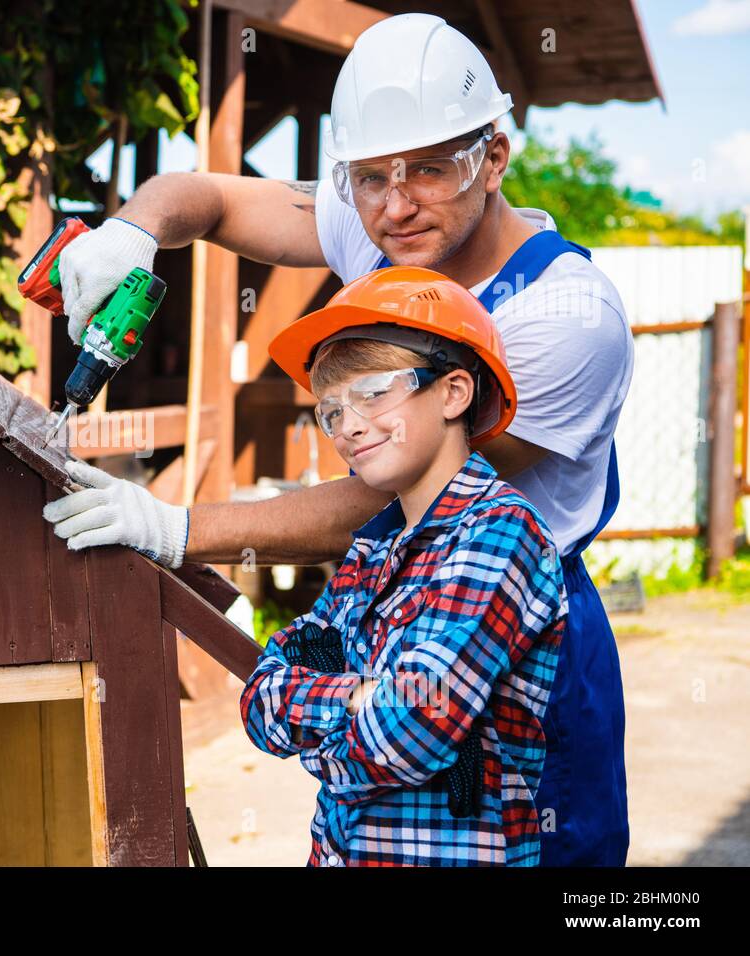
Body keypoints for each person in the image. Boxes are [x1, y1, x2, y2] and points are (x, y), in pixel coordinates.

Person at [42, 12, 632, 865]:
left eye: (429, 169)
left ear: (494, 156)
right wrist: (135, 230)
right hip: (391, 597)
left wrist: (178, 530)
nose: (394, 206)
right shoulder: (388, 214)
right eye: (367, 177)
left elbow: (387, 499)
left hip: (512, 624)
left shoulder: (567, 316)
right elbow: (205, 198)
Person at [239, 265, 565, 866]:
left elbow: (413, 729)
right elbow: (259, 698)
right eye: (330, 410)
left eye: (373, 392)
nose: (348, 425)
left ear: (453, 392)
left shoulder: (500, 533)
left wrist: (324, 702)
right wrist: (364, 696)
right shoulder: (373, 547)